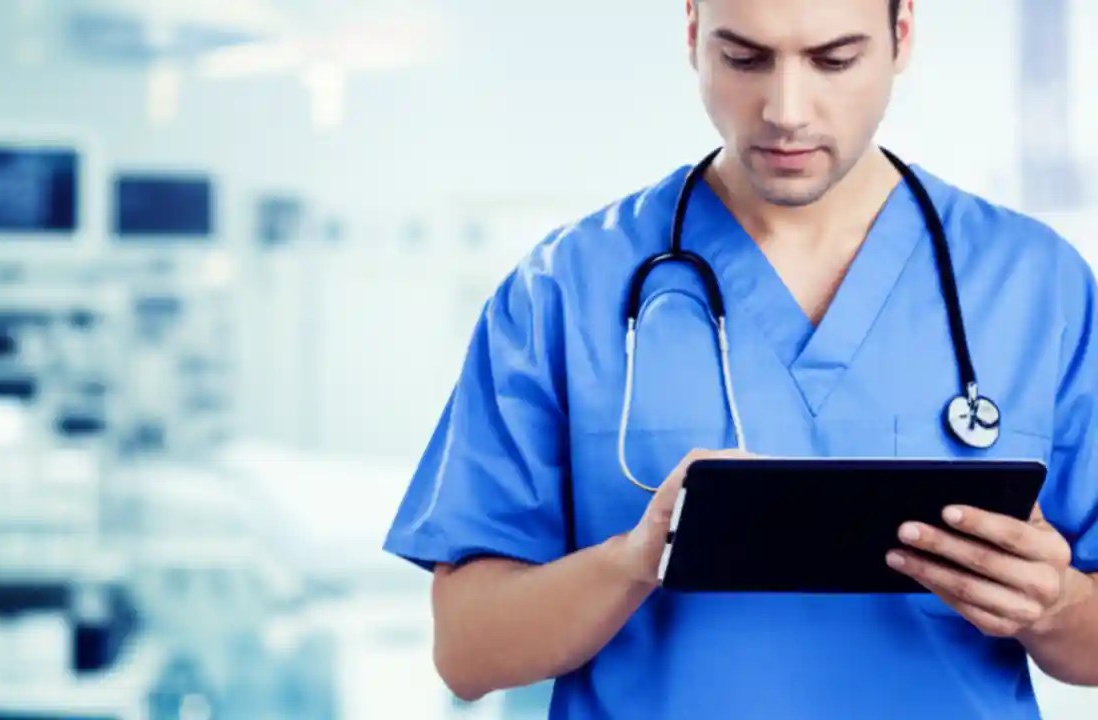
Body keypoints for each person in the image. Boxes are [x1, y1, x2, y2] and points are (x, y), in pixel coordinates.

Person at [381, 0, 1098, 717]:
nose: (786, 109)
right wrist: (634, 562)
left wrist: (1054, 607)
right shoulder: (566, 286)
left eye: (834, 60)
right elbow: (468, 651)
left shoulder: (1036, 283)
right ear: (692, 32)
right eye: (745, 58)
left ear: (901, 33)